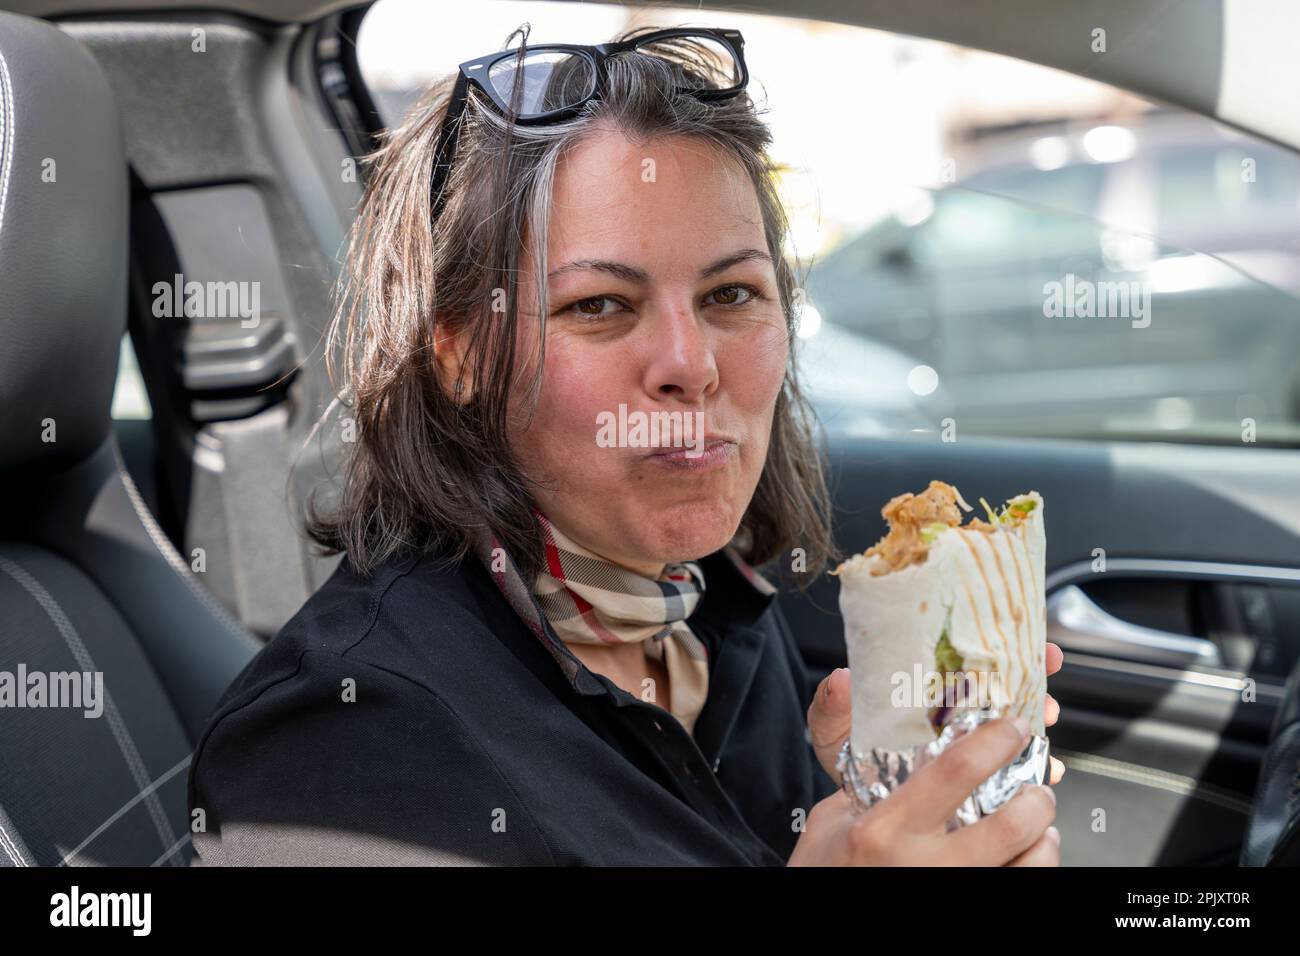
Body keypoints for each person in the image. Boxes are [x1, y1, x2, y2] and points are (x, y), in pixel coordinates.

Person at [187, 23, 1063, 866]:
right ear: (454, 352)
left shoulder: (712, 611)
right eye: (598, 306)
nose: (690, 365)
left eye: (730, 295)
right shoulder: (342, 741)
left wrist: (888, 796)